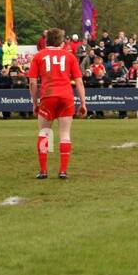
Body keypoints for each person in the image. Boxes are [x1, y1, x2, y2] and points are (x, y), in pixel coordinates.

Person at [27, 28, 87, 179]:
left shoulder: (38, 56)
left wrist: (34, 102)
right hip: (66, 97)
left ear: (46, 40)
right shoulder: (70, 56)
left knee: (44, 132)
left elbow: (33, 83)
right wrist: (83, 103)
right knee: (65, 134)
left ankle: (43, 171)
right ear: (61, 41)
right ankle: (63, 171)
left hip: (48, 97)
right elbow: (79, 81)